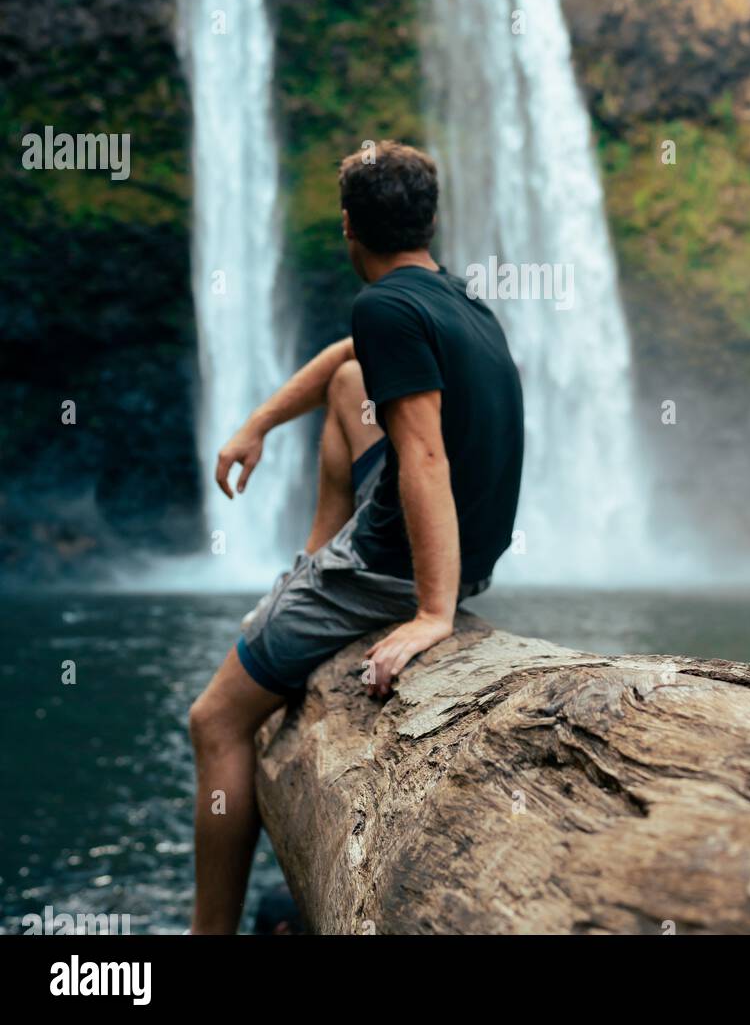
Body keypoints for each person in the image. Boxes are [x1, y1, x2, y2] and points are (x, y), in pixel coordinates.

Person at [186, 141, 524, 934]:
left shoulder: (384, 306)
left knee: (215, 720)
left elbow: (426, 457)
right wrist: (259, 423)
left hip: (391, 568)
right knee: (347, 385)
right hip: (469, 550)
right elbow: (352, 360)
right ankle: (310, 572)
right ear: (429, 222)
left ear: (347, 227)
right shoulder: (457, 298)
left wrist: (434, 614)